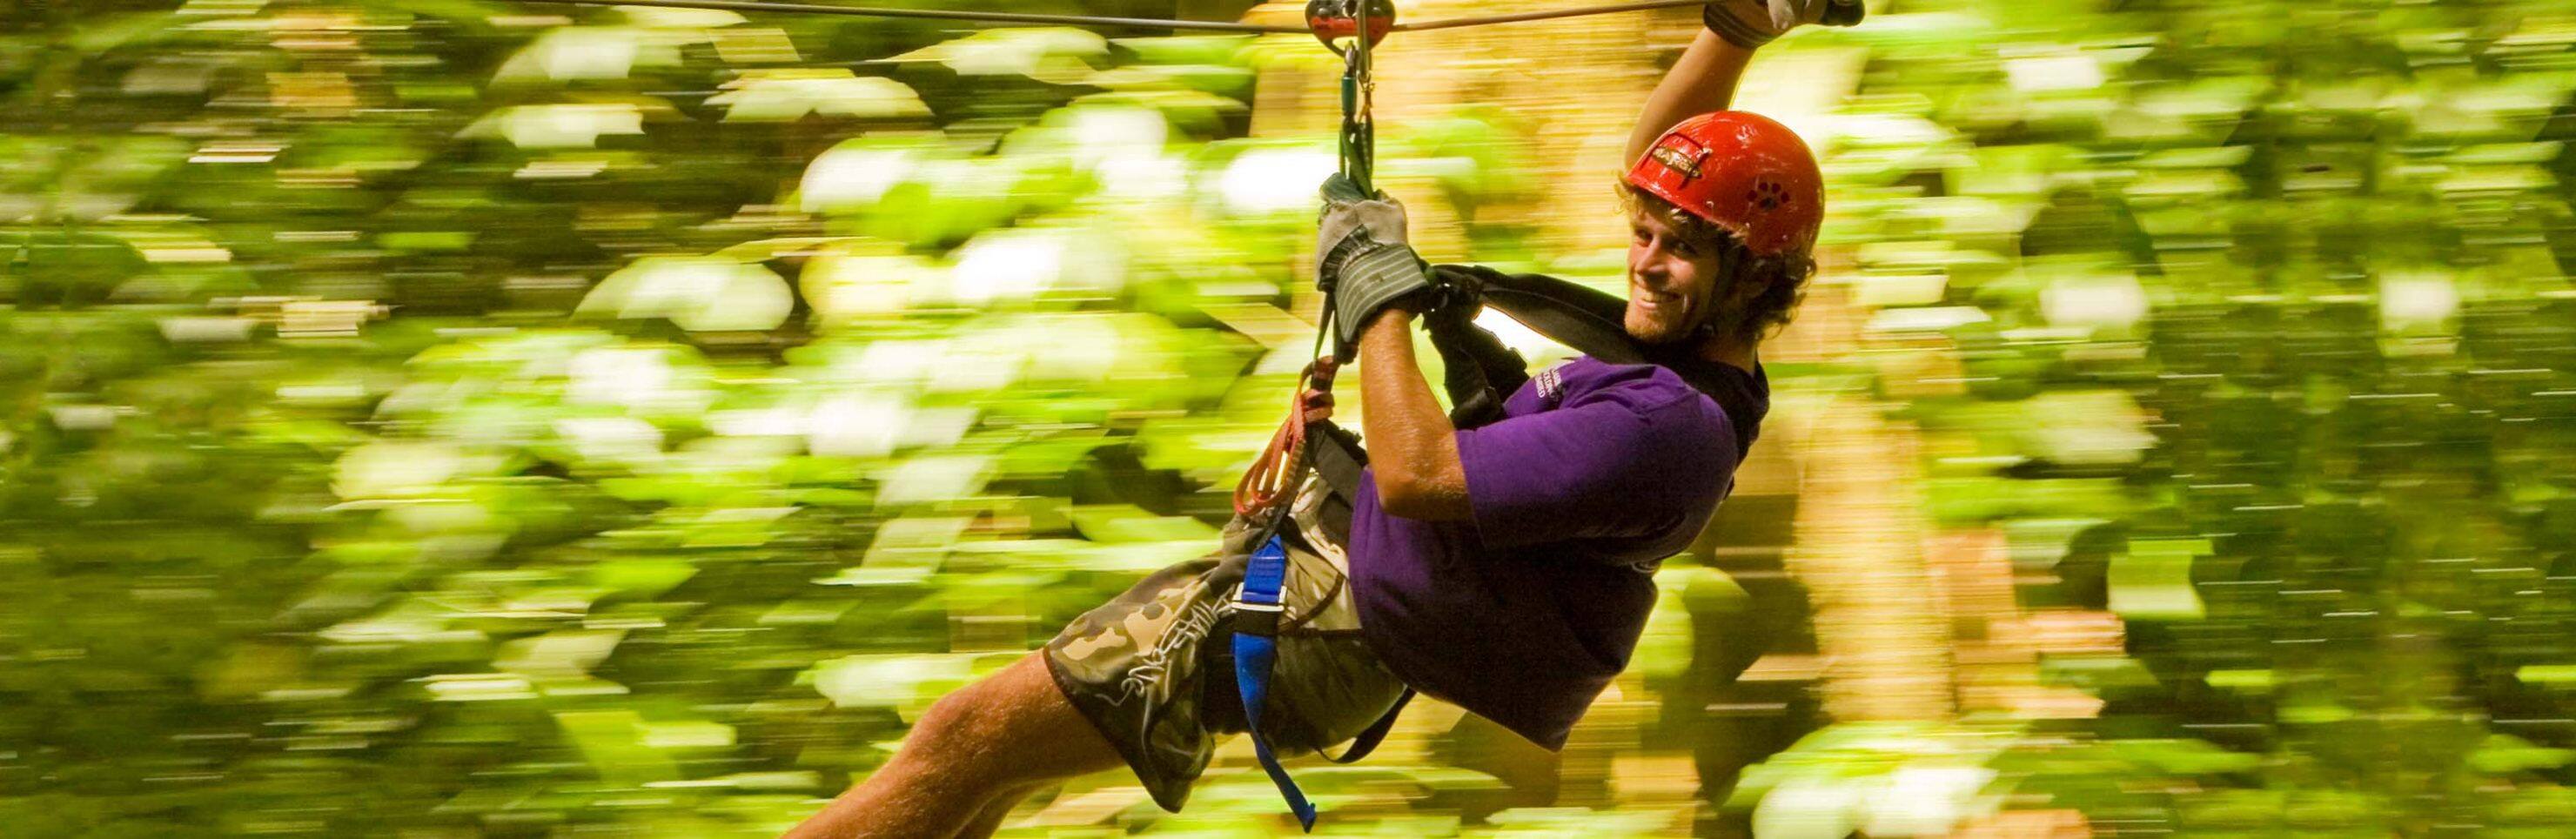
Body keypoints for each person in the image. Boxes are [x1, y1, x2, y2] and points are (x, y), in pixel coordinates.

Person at [782, 1, 1847, 836]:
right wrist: (1736, 30)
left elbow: (1423, 473)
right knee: (986, 772)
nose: (1643, 259)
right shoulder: (1687, 359)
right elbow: (1664, 154)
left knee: (965, 736)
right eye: (1644, 230)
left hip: (1331, 616)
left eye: (1679, 247)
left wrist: (1372, 283)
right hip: (1332, 581)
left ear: (1749, 276)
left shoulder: (1666, 429)